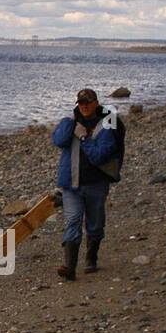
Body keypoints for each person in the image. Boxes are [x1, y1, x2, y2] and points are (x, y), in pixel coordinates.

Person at [52, 88, 122, 280]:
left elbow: (100, 155)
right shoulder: (70, 123)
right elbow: (58, 141)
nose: (84, 106)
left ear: (96, 103)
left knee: (95, 224)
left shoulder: (107, 126)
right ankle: (70, 267)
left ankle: (91, 257)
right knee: (72, 221)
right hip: (71, 185)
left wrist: (84, 138)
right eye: (81, 103)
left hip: (96, 184)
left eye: (88, 102)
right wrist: (69, 125)